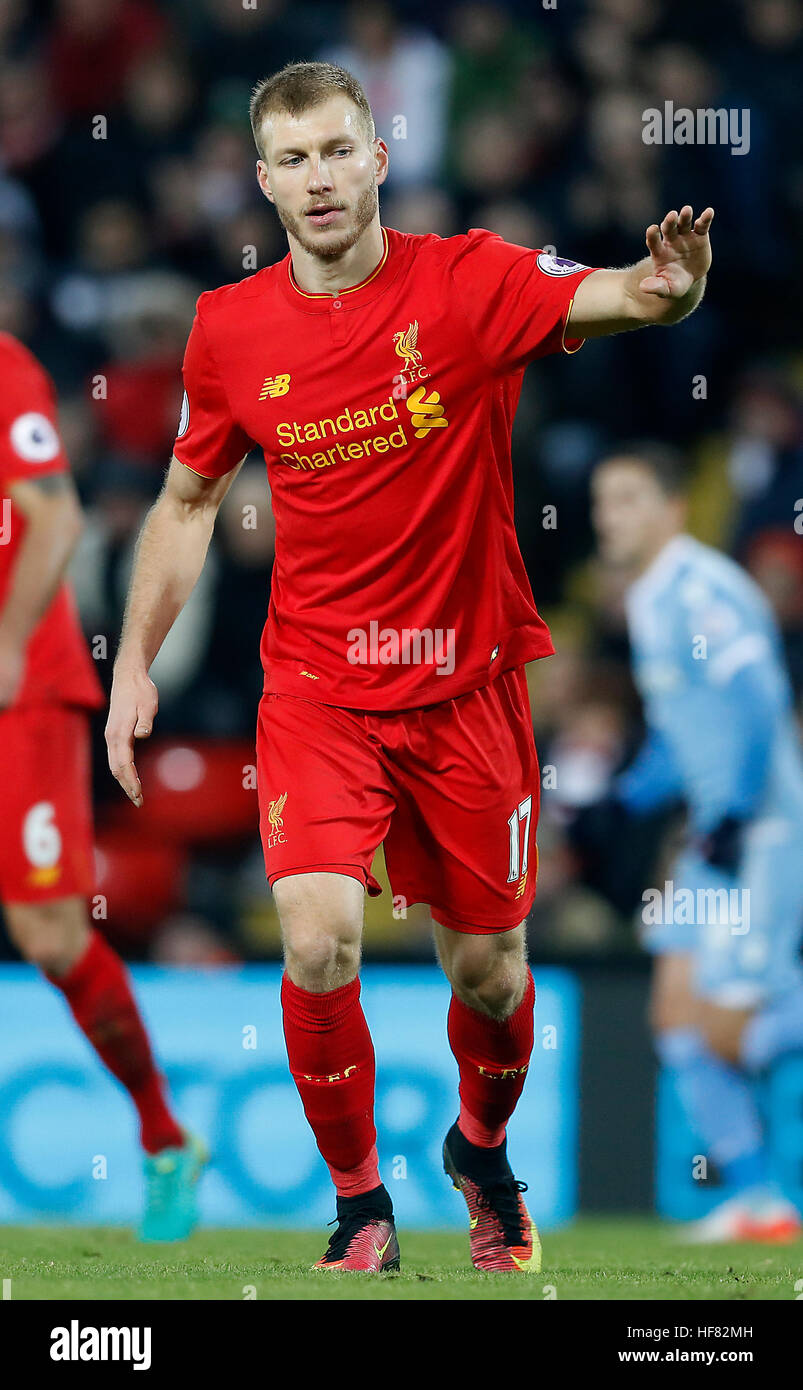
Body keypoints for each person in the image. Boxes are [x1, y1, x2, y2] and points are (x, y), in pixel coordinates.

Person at [105, 60, 713, 1273]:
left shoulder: (469, 281)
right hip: (318, 692)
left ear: (377, 156)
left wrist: (666, 289)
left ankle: (480, 1156)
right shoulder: (228, 330)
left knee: (489, 974)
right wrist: (133, 664)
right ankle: (358, 1206)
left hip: (467, 686)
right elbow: (184, 502)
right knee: (318, 938)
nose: (320, 178)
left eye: (340, 151)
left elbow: (620, 299)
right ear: (264, 182)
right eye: (293, 160)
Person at [0, 331, 205, 1242]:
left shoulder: (6, 369)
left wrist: (7, 644)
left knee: (46, 932)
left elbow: (55, 515)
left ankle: (165, 1137)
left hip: (23, 693)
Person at [592, 443, 803, 1242]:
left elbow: (757, 704)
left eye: (628, 499)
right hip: (711, 832)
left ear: (673, 509)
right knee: (675, 1014)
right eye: (602, 502)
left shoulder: (701, 587)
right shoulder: (646, 600)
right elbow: (684, 736)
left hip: (757, 831)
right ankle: (758, 1203)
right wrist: (621, 799)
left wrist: (732, 816)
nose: (609, 516)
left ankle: (763, 1195)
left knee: (728, 1024)